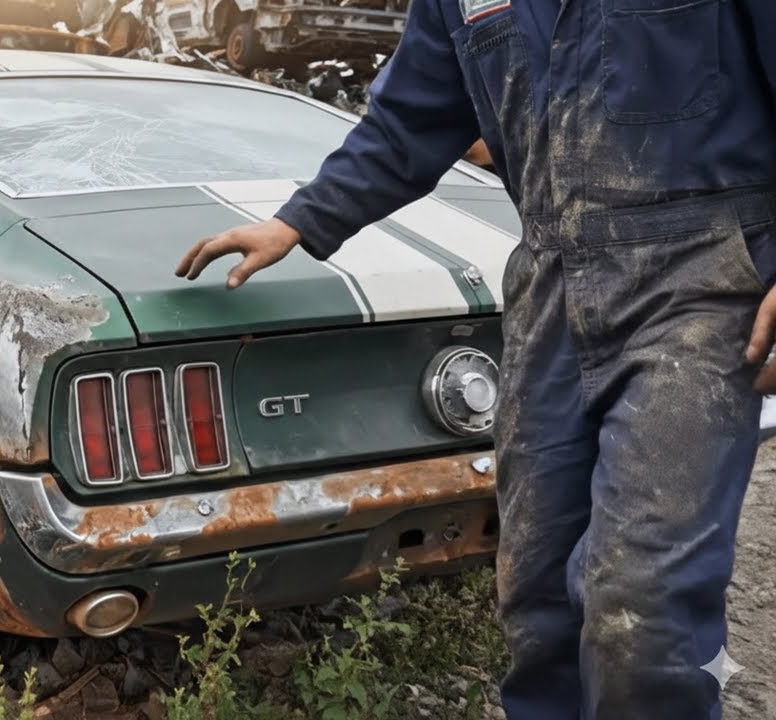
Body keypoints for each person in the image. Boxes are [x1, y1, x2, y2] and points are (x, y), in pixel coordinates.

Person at [174, 2, 776, 719]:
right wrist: (299, 220)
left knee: (641, 605)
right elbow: (409, 122)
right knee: (537, 596)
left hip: (702, 283)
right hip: (549, 287)